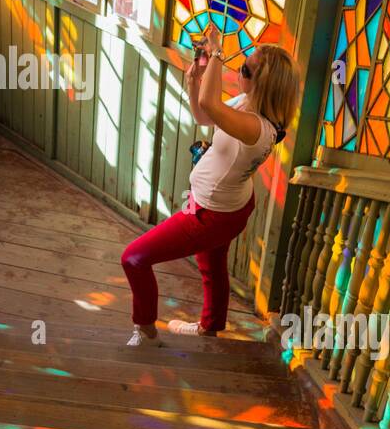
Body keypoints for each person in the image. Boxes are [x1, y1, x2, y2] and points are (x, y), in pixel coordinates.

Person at [121, 23, 300, 348]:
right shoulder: (250, 103)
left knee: (134, 258)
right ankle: (211, 326)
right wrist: (193, 82)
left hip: (210, 213)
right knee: (212, 263)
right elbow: (205, 115)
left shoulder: (256, 128)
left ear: (263, 83)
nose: (240, 68)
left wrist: (216, 51)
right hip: (232, 205)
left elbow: (210, 104)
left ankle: (145, 329)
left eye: (245, 67)